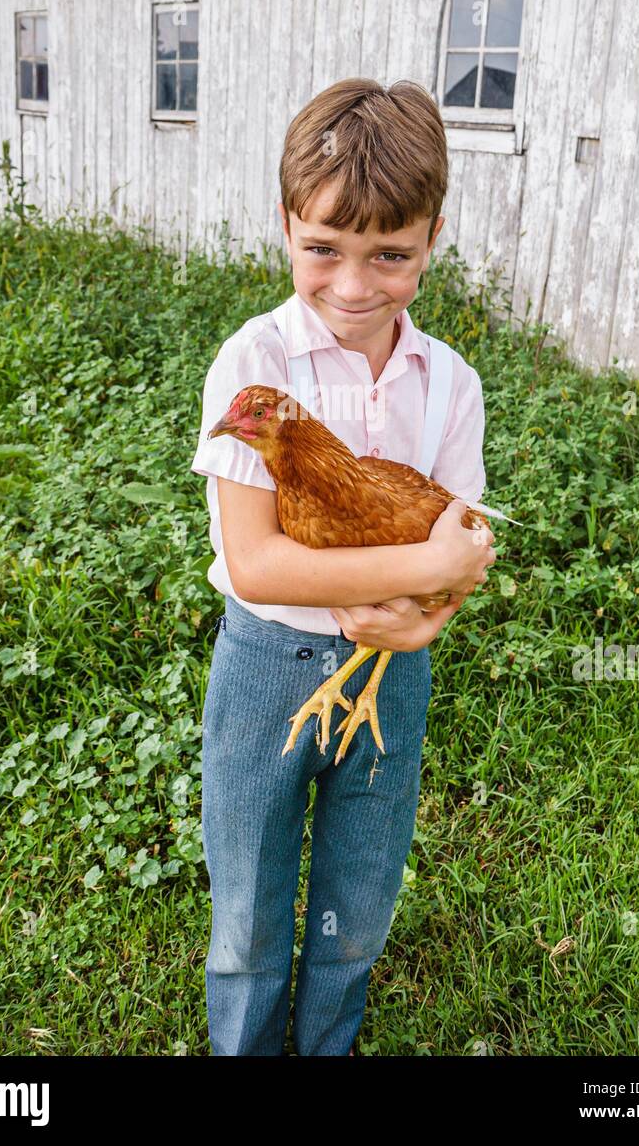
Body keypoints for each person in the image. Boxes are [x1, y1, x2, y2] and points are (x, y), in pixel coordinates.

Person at [190, 77, 497, 1056]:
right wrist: (422, 570)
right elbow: (257, 561)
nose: (353, 285)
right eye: (322, 247)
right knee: (245, 905)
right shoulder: (252, 368)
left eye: (389, 255)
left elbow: (466, 543)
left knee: (356, 905)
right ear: (284, 224)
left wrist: (423, 621)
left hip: (391, 674)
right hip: (264, 667)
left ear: (430, 238)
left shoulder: (447, 382)